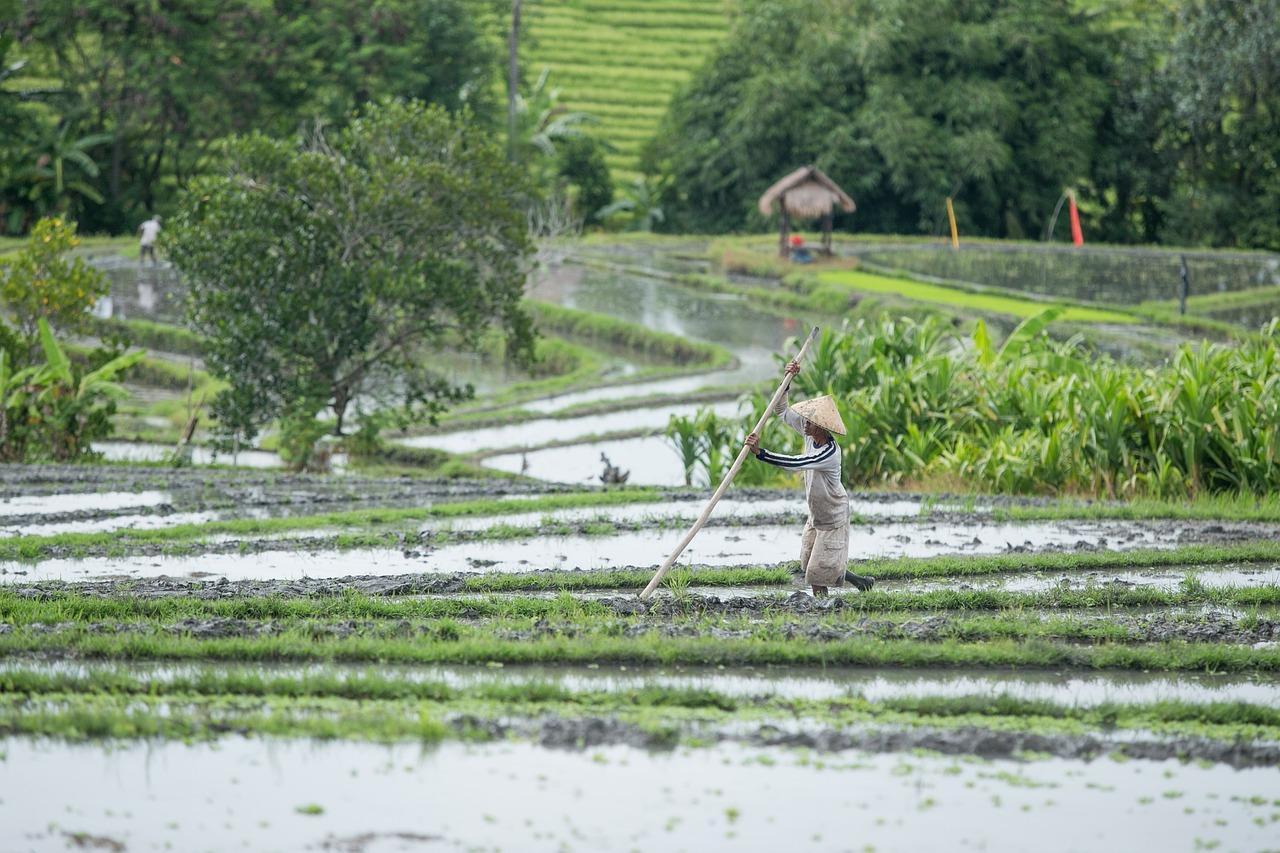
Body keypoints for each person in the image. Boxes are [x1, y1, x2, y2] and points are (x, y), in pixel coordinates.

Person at [744, 360, 874, 597]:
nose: (805, 422)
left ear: (821, 427)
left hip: (833, 515)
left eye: (811, 421)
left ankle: (823, 609)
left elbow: (797, 463)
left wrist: (760, 453)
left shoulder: (829, 453)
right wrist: (787, 381)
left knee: (817, 573)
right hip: (816, 513)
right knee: (809, 562)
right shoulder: (809, 432)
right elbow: (781, 411)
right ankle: (861, 582)